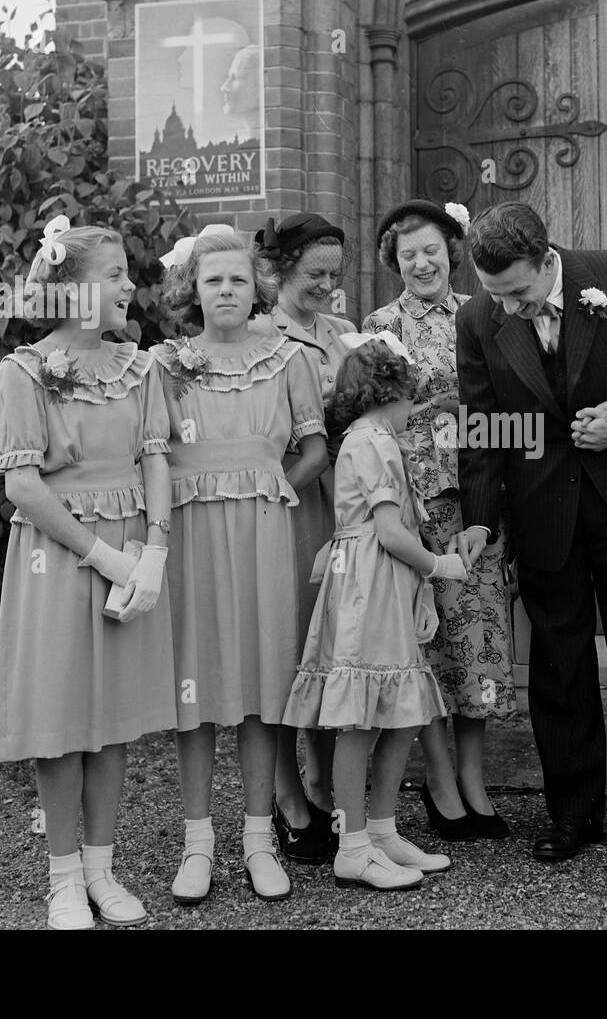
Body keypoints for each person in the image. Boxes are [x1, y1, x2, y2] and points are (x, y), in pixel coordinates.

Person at [452, 202, 607, 860]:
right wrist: (479, 520)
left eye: (520, 293)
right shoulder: (479, 317)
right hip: (541, 513)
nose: (508, 309)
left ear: (545, 256)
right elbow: (482, 425)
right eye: (495, 295)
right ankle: (573, 814)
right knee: (559, 667)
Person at [0, 218, 176, 929]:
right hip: (59, 560)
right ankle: (63, 879)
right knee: (63, 720)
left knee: (114, 720)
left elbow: (155, 458)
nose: (130, 284)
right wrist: (106, 558)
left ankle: (102, 867)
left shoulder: (143, 367)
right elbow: (24, 488)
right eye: (114, 273)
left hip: (132, 547)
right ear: (70, 292)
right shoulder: (23, 372)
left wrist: (154, 549)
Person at [152, 227, 328, 904]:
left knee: (259, 684)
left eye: (236, 280)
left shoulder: (290, 358)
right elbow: (151, 451)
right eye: (211, 280)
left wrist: (283, 480)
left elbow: (314, 447)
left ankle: (259, 838)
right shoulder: (165, 363)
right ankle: (198, 841)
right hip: (193, 532)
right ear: (192, 291)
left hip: (263, 532)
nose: (225, 290)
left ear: (257, 287)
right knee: (195, 691)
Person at [282, 338, 468, 889]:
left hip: (383, 585)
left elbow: (395, 528)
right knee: (360, 719)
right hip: (370, 587)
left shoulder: (370, 439)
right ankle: (354, 846)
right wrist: (440, 567)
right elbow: (389, 533)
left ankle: (381, 831)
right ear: (393, 392)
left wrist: (422, 591)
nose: (415, 410)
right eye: (411, 398)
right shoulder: (375, 443)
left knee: (403, 710)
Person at [366, 199, 515, 840]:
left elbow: (509, 404)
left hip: (474, 500)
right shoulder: (380, 325)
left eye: (431, 250)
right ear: (394, 263)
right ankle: (439, 779)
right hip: (413, 502)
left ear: (451, 250)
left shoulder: (482, 313)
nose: (421, 263)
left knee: (478, 640)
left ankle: (475, 778)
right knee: (423, 642)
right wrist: (437, 405)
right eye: (408, 255)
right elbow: (374, 415)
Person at [251, 213, 357, 863]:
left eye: (334, 275)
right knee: (285, 645)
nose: (325, 285)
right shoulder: (261, 338)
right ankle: (287, 800)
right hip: (290, 503)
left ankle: (324, 785)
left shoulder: (345, 334)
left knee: (330, 647)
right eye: (314, 273)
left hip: (342, 502)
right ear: (279, 270)